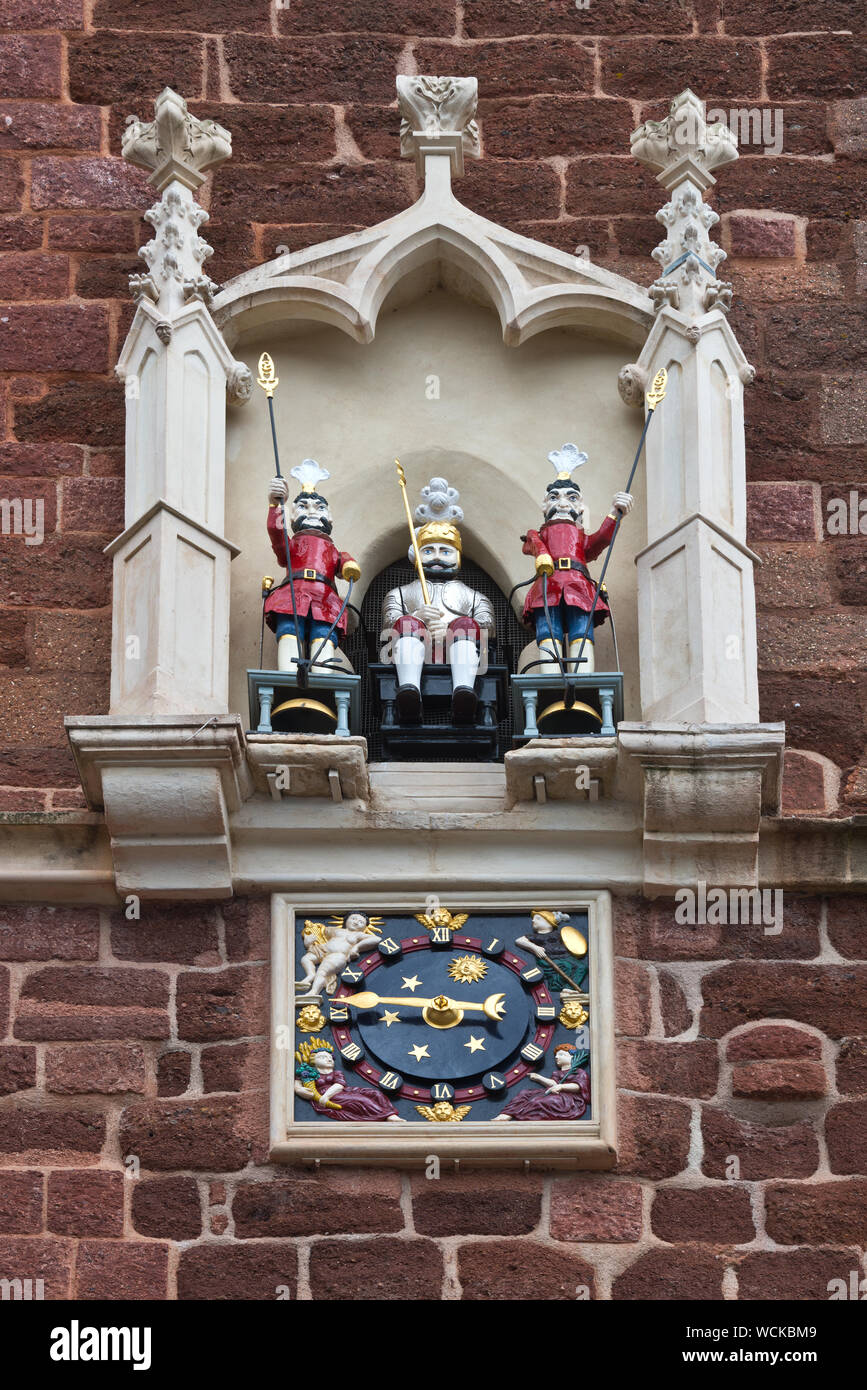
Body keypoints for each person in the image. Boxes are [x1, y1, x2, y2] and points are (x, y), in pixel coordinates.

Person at [382, 477, 494, 723]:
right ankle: (409, 690)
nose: (437, 557)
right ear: (417, 556)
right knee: (407, 626)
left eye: (445, 551)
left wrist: (452, 627)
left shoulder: (474, 597)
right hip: (411, 651)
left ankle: (463, 691)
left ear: (458, 556)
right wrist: (416, 617)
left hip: (461, 651)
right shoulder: (399, 594)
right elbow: (389, 622)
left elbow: (488, 625)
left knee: (465, 627)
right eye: (428, 551)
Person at [521, 444, 633, 674]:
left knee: (580, 629)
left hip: (578, 584)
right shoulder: (539, 533)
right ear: (545, 506)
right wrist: (542, 553)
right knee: (548, 628)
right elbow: (533, 541)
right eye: (555, 497)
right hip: (548, 584)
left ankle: (583, 674)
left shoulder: (580, 536)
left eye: (571, 498)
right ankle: (550, 674)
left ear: (580, 507)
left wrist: (615, 512)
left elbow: (599, 541)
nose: (562, 504)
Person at [265, 458, 360, 672]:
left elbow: (344, 562)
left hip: (324, 596)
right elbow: (277, 535)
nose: (312, 511)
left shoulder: (333, 550)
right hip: (294, 591)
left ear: (330, 517)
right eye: (303, 506)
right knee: (290, 628)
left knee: (323, 632)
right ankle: (289, 671)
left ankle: (322, 672)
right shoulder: (293, 544)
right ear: (293, 516)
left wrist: (348, 566)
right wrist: (276, 505)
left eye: (319, 507)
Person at [294, 1039, 405, 1121]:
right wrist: (299, 1090)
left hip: (334, 1093)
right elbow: (298, 1082)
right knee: (362, 1100)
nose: (328, 1059)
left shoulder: (336, 1073)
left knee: (375, 1093)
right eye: (323, 1057)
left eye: (330, 1058)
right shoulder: (309, 1073)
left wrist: (326, 1096)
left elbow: (339, 1085)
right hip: (332, 1097)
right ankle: (387, 1117)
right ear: (313, 1061)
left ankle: (391, 1115)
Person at [497, 1045, 590, 1121]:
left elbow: (578, 1086)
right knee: (525, 1093)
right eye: (556, 1056)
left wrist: (562, 1087)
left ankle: (526, 1117)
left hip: (569, 1101)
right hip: (555, 1093)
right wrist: (538, 1077)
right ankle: (507, 1114)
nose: (557, 1057)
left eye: (561, 1055)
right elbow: (554, 1084)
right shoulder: (557, 1073)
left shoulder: (579, 1072)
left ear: (573, 1057)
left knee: (538, 1101)